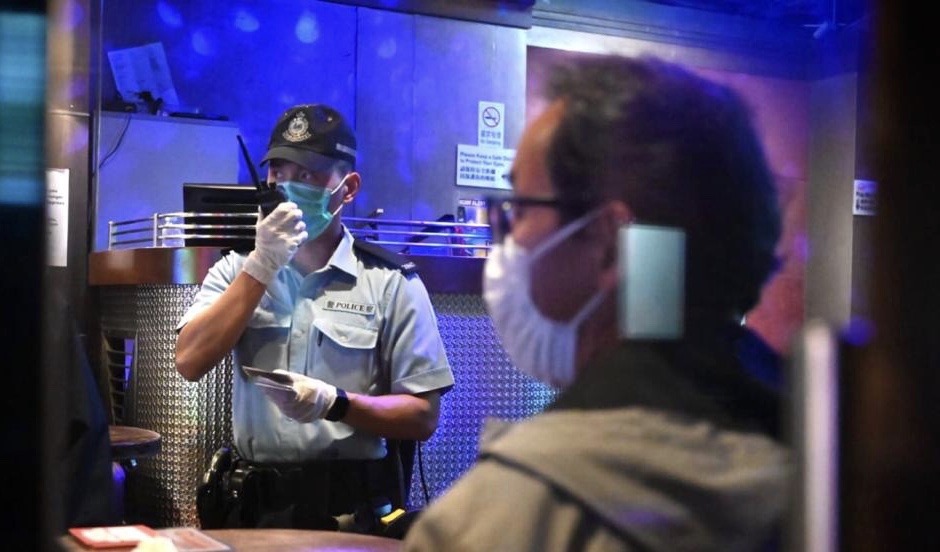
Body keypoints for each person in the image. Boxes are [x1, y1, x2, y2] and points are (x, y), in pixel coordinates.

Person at [403, 56, 788, 551]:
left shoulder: (493, 523)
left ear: (608, 243)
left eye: (519, 208)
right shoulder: (852, 480)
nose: (507, 242)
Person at [175, 104, 454, 532]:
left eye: (307, 175)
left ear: (348, 187)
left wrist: (336, 404)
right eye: (279, 172)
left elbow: (422, 416)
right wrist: (263, 264)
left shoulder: (389, 282)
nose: (287, 186)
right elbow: (189, 361)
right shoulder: (237, 270)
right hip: (255, 510)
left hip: (349, 512)